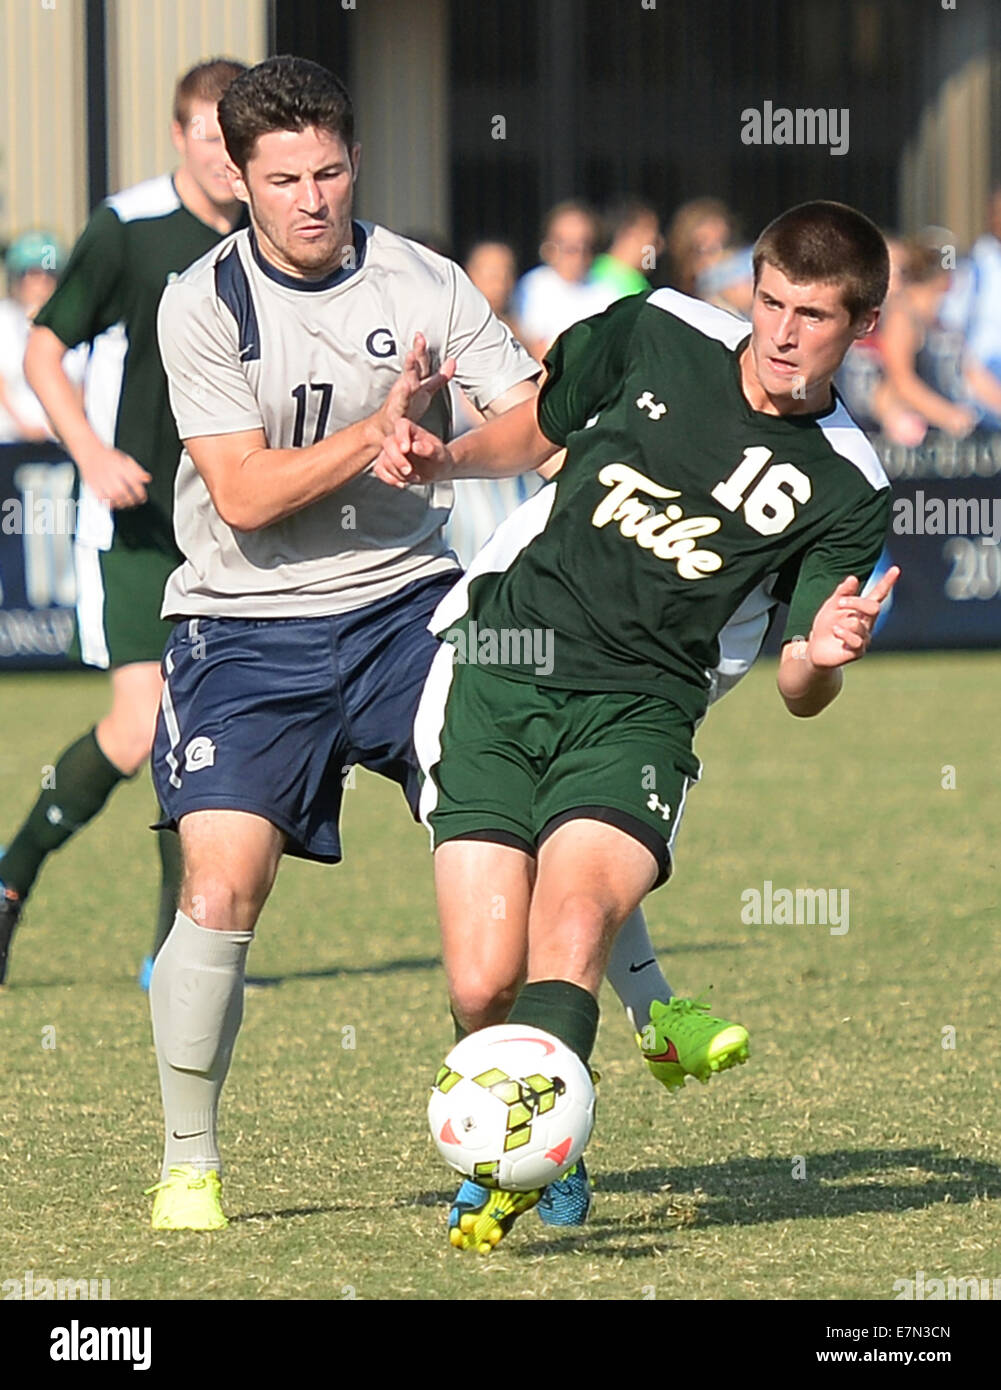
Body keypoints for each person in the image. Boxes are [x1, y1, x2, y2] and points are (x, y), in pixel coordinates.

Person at [375, 199, 901, 1253]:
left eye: (812, 315)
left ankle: (521, 1162)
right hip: (499, 663)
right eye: (769, 302)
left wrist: (823, 657)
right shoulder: (654, 326)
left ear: (864, 328)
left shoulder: (848, 485)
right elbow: (540, 427)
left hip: (639, 713)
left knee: (566, 934)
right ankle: (570, 1112)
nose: (782, 334)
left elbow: (798, 682)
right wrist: (444, 461)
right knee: (482, 982)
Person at [0, 59, 247, 989]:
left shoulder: (275, 233)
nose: (230, 160)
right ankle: (12, 872)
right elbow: (43, 348)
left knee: (208, 733)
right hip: (139, 525)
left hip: (232, 521)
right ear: (179, 136)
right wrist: (90, 456)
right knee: (141, 723)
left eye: (242, 141)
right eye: (212, 139)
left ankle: (171, 955)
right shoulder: (129, 227)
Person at [0, 232, 86, 443]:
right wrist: (25, 427)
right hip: (10, 439)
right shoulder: (5, 320)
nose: (40, 284)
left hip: (62, 440)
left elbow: (81, 383)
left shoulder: (74, 320)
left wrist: (61, 426)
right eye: (31, 275)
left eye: (48, 275)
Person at [512, 201, 614, 360]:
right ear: (549, 246)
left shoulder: (605, 291)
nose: (579, 255)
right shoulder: (533, 287)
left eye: (587, 245)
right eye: (571, 248)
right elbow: (535, 348)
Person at [590, 198, 663, 301]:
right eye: (653, 241)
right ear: (630, 235)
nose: (659, 248)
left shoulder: (589, 272)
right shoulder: (634, 290)